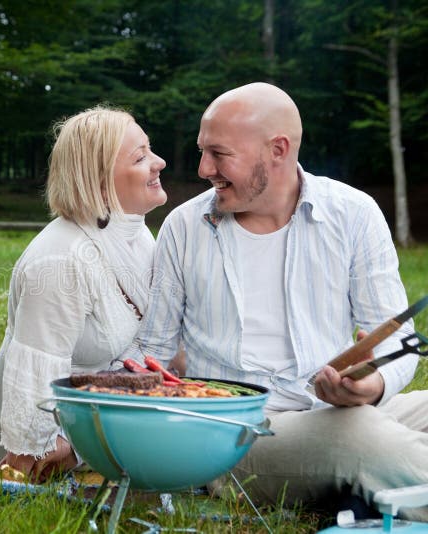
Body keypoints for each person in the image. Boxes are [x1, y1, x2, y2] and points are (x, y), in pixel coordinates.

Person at [120, 82, 428, 519]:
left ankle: (368, 485)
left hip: (334, 412)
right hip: (236, 435)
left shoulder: (354, 214)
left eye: (219, 153)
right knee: (358, 436)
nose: (204, 168)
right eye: (202, 151)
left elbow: (397, 336)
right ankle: (372, 477)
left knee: (363, 425)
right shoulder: (183, 228)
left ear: (278, 149)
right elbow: (153, 351)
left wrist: (371, 385)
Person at [0, 105, 169, 482]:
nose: (159, 162)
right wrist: (35, 456)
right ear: (99, 182)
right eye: (140, 156)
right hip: (56, 428)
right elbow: (33, 405)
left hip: (112, 406)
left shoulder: (136, 235)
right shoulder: (59, 260)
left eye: (151, 150)